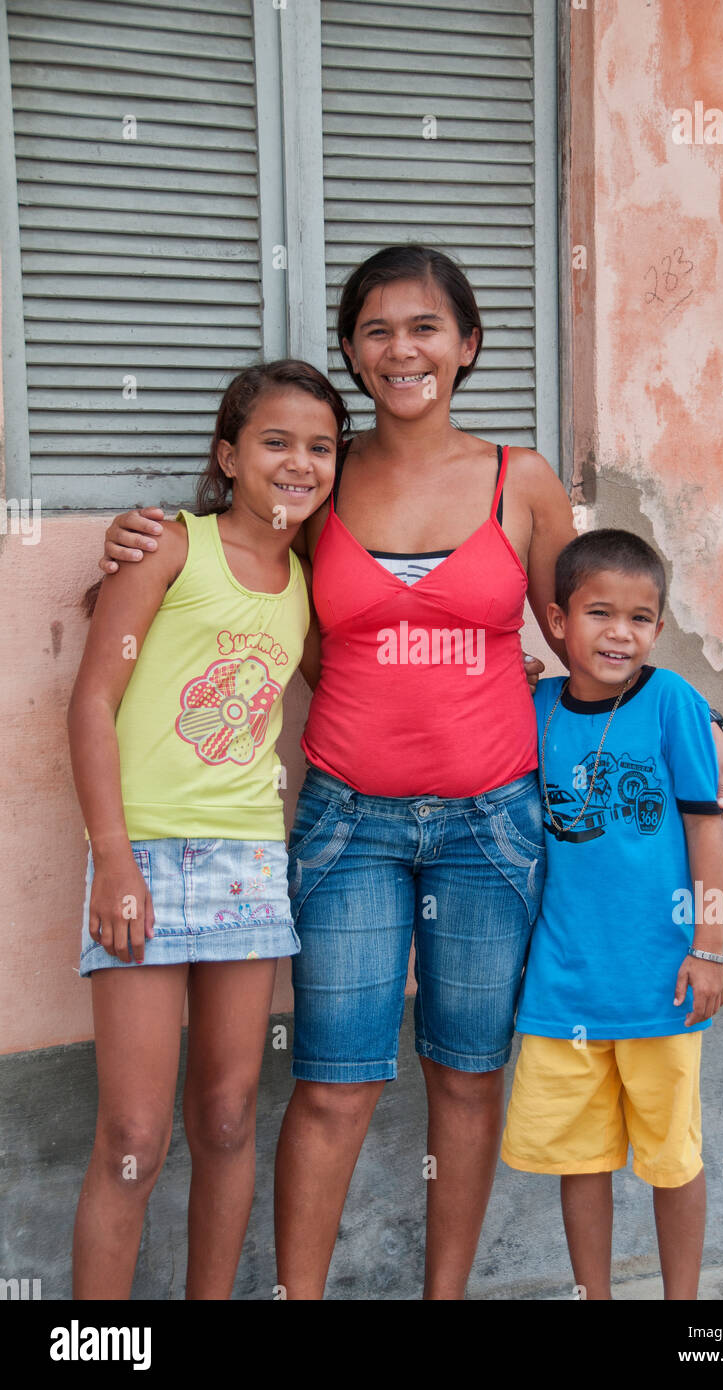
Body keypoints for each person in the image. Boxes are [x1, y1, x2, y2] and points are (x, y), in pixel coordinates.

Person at [97, 244, 723, 1300]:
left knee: (464, 1076)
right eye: (377, 330)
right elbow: (247, 563)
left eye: (425, 327)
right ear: (352, 350)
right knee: (332, 1086)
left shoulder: (517, 479)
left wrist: (700, 714)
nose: (402, 349)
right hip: (347, 823)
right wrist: (148, 526)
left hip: (493, 824)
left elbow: (587, 625)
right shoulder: (319, 471)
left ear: (467, 345)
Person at [68, 360, 347, 1299]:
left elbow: (359, 687)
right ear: (228, 457)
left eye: (320, 447)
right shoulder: (168, 547)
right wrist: (112, 860)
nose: (300, 462)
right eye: (276, 442)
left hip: (252, 862)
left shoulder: (307, 584)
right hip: (143, 855)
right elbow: (92, 704)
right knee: (133, 1139)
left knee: (227, 1117)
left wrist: (501, 676)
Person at [501, 529, 723, 1300]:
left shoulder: (671, 701)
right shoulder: (534, 709)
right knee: (579, 1159)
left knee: (674, 1157)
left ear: (657, 630)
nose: (619, 633)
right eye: (600, 613)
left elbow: (704, 826)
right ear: (557, 620)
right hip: (562, 986)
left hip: (659, 980)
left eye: (639, 618)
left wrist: (709, 948)